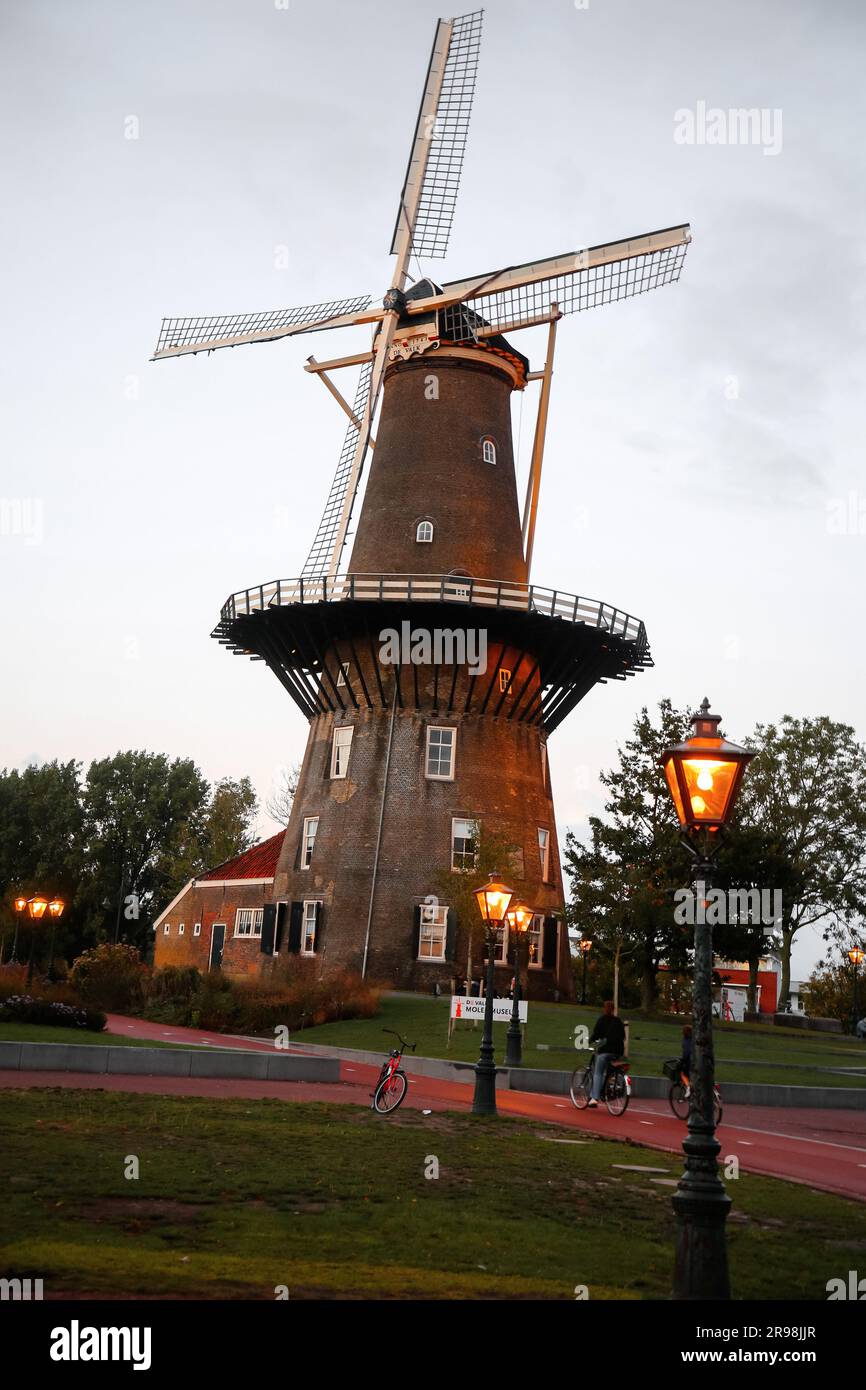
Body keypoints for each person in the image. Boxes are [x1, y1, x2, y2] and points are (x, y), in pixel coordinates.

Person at [588, 1000, 626, 1107]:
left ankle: (594, 1098)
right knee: (610, 1071)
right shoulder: (618, 1021)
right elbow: (623, 1036)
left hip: (605, 1051)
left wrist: (589, 1041)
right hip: (618, 1052)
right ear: (613, 1009)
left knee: (598, 1072)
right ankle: (606, 1090)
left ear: (604, 1008)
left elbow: (596, 1034)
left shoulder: (602, 1019)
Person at [679, 1023, 693, 1099]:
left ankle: (688, 1088)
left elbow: (686, 1053)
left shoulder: (686, 1040)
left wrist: (682, 1061)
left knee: (683, 1074)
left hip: (690, 1062)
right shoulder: (695, 1038)